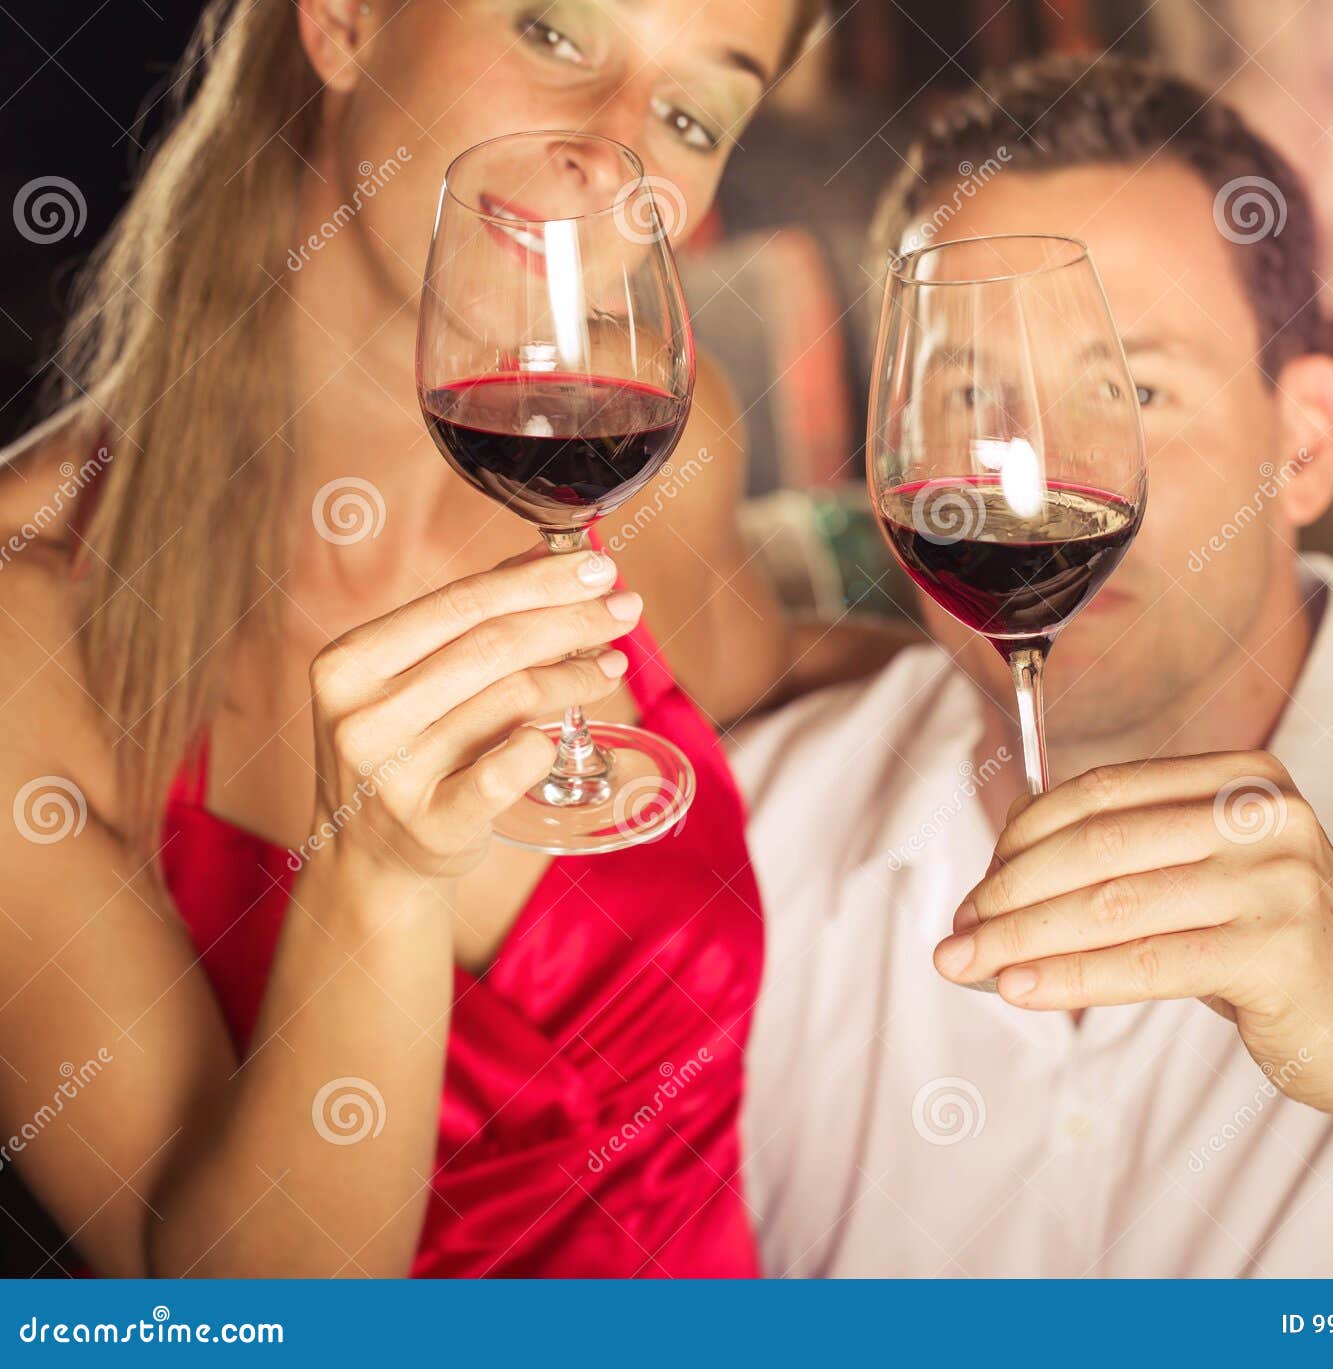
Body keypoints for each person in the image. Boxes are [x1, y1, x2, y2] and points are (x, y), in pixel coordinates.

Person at [0, 0, 885, 1279]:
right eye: (555, 35)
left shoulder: (654, 466)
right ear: (346, 21)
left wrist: (1017, 662)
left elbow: (759, 665)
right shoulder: (34, 627)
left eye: (692, 113)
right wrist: (380, 878)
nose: (614, 146)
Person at [734, 54, 1333, 1277]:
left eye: (1131, 388)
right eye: (970, 398)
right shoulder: (753, 832)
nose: (1033, 478)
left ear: (1301, 447)